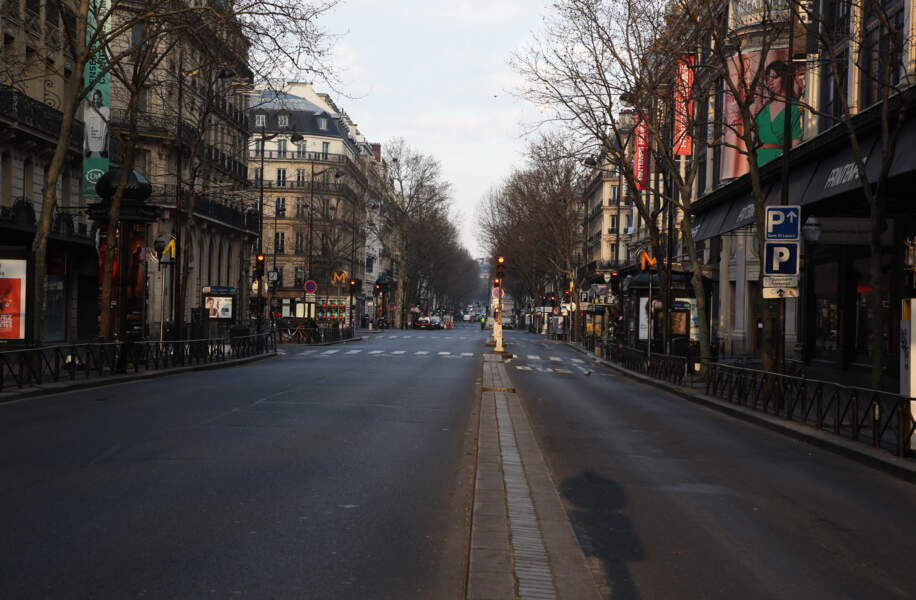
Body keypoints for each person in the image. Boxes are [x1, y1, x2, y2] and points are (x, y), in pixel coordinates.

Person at [754, 60, 803, 166]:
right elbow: (754, 143)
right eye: (767, 79)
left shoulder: (793, 108)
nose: (770, 82)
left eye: (774, 77)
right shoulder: (763, 111)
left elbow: (796, 142)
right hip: (759, 163)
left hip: (780, 163)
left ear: (784, 78)